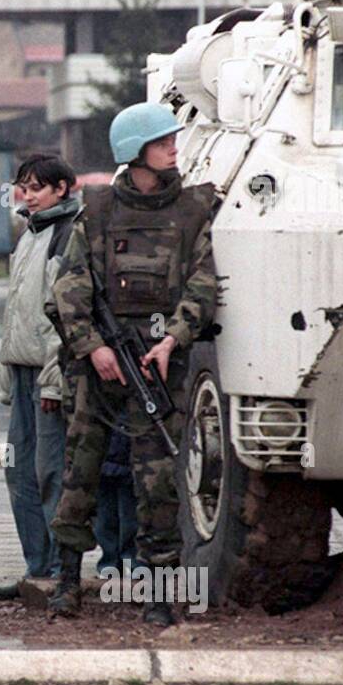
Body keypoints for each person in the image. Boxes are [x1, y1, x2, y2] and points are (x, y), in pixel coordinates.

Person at [47, 102, 218, 626]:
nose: (174, 147)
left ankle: (158, 593)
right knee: (79, 471)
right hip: (97, 361)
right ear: (134, 152)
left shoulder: (192, 211)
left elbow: (204, 283)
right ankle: (67, 582)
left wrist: (174, 340)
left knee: (160, 478)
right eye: (162, 141)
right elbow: (68, 289)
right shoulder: (95, 210)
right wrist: (93, 347)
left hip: (158, 364)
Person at [0, 152, 82, 601]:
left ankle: (64, 576)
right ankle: (36, 568)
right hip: (23, 374)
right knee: (18, 473)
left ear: (61, 189)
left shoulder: (68, 234)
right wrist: (10, 373)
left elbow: (62, 317)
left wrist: (51, 381)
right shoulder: (30, 233)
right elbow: (17, 311)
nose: (26, 195)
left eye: (36, 187)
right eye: (23, 186)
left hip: (50, 379)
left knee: (51, 474)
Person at [92, 421, 141, 579]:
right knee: (106, 520)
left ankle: (130, 564)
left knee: (129, 519)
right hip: (104, 461)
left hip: (126, 460)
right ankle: (112, 564)